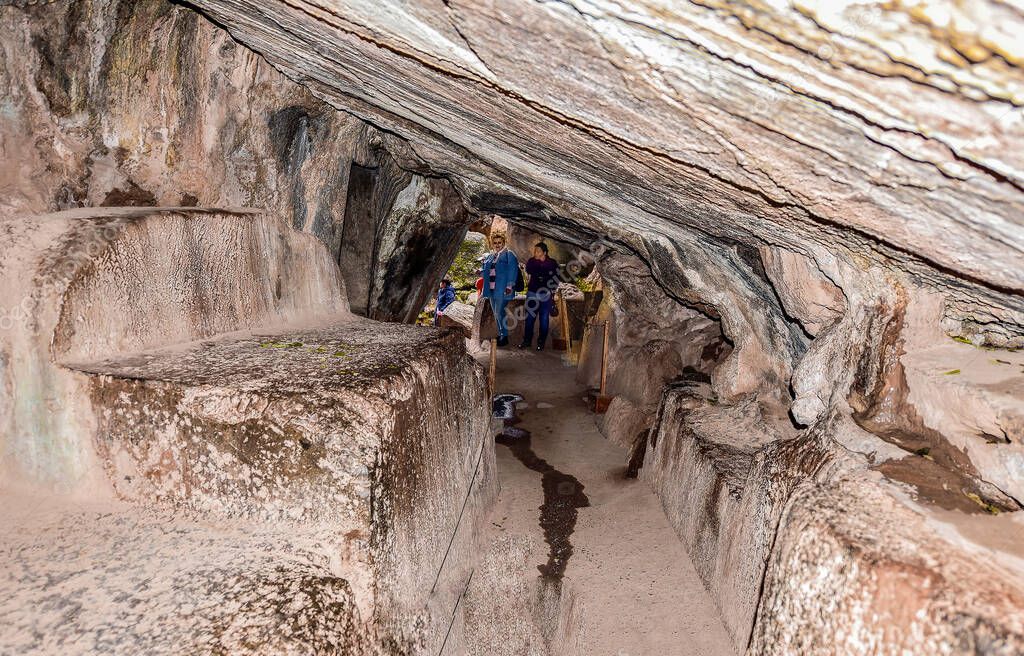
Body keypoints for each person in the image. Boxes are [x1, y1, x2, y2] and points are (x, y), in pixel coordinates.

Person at [479, 233, 519, 346]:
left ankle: (504, 336)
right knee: (496, 313)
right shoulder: (491, 256)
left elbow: (513, 270)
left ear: (504, 243)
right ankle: (501, 334)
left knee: (498, 312)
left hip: (503, 289)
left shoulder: (509, 254)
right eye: (495, 243)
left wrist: (509, 286)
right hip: (491, 289)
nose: (497, 245)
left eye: (499, 242)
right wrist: (480, 272)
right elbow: (487, 272)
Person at [520, 242, 559, 350]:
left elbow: (556, 278)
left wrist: (552, 290)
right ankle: (527, 341)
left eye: (538, 251)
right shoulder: (532, 261)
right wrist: (544, 274)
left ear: (544, 252)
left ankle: (541, 342)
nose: (535, 253)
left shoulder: (552, 263)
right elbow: (529, 270)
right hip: (532, 293)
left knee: (544, 320)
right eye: (535, 251)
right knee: (529, 319)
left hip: (546, 295)